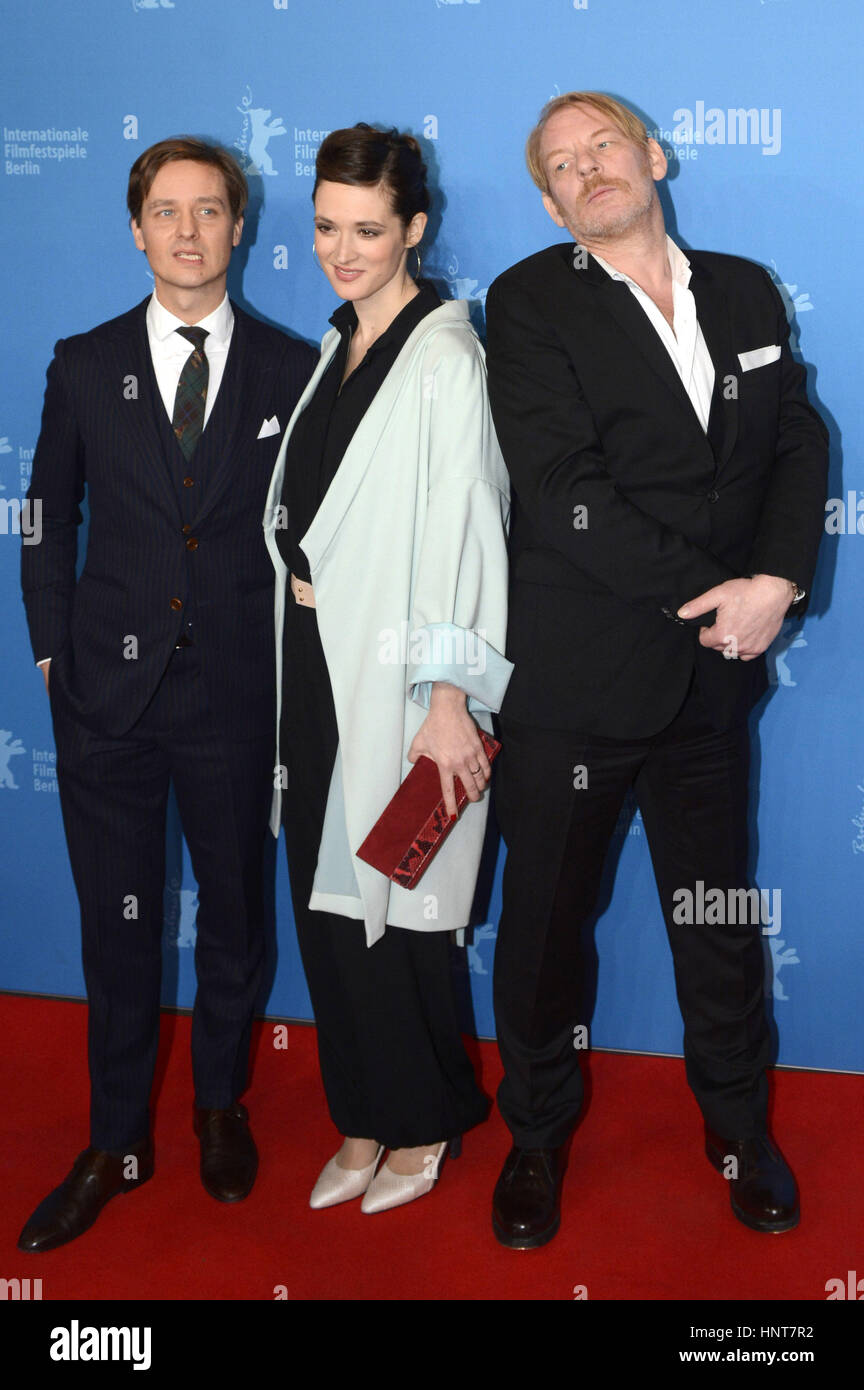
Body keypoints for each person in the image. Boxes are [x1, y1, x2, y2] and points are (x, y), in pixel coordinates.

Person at [484, 92, 828, 1249]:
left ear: (655, 155)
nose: (588, 173)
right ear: (547, 199)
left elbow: (798, 438)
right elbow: (568, 495)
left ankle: (739, 1131)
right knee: (542, 932)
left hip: (713, 685)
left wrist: (776, 580)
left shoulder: (745, 287)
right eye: (562, 166)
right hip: (578, 688)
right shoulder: (530, 303)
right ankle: (533, 1140)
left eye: (604, 148)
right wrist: (719, 596)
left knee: (718, 918)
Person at [18, 137, 317, 1253]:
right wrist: (55, 655)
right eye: (164, 211)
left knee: (238, 917)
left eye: (208, 210)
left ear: (240, 228)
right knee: (118, 927)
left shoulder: (295, 366)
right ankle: (114, 1140)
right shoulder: (85, 363)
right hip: (107, 699)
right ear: (136, 230)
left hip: (241, 698)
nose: (187, 230)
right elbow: (48, 515)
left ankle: (220, 1105)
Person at [263, 124, 512, 1213]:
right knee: (326, 905)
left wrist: (450, 700)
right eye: (326, 226)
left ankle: (428, 1125)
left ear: (415, 227)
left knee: (400, 907)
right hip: (314, 665)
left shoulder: (445, 357)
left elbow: (471, 533)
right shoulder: (338, 345)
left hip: (403, 681)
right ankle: (360, 1117)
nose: (343, 249)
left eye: (368, 229)